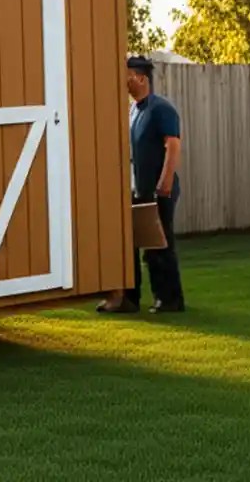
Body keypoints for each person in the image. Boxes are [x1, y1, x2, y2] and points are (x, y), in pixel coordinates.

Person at [98, 55, 186, 314]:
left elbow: (173, 146)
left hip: (160, 189)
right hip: (139, 190)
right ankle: (129, 299)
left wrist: (165, 184)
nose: (123, 82)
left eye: (126, 76)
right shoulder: (134, 109)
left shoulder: (161, 109)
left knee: (159, 245)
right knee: (133, 244)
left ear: (141, 78)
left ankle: (170, 300)